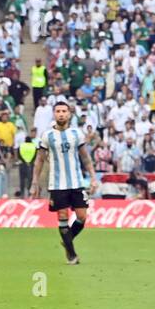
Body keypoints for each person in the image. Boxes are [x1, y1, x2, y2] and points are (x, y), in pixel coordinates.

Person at [31, 99, 97, 265]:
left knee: (82, 216)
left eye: (64, 111)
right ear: (54, 114)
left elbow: (86, 158)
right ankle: (72, 254)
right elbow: (39, 160)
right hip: (57, 183)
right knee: (62, 216)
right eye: (58, 111)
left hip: (76, 182)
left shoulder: (77, 134)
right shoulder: (47, 135)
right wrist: (35, 182)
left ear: (69, 114)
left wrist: (93, 177)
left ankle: (67, 240)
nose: (61, 114)